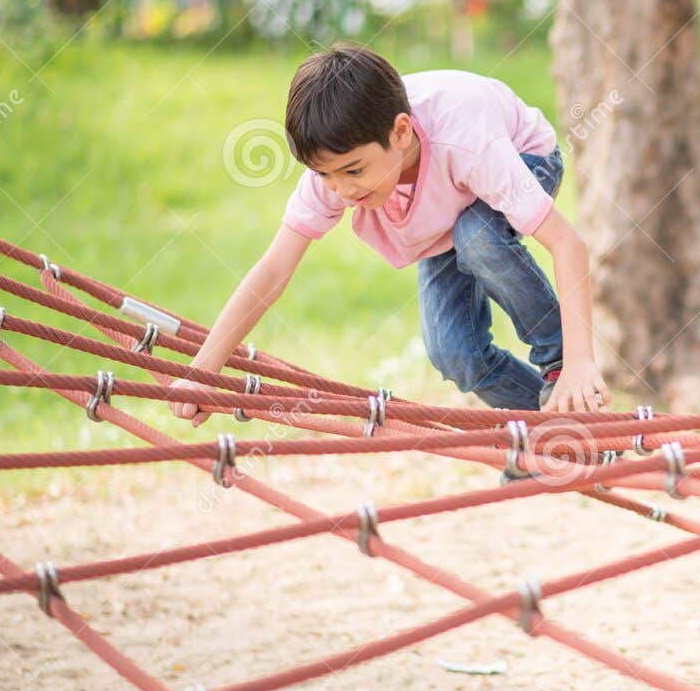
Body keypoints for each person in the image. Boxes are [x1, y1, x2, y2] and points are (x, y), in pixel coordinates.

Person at [169, 43, 607, 422]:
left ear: (400, 132)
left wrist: (580, 363)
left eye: (353, 170)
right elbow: (273, 271)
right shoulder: (338, 174)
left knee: (478, 238)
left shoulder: (468, 140)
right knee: (455, 354)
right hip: (448, 200)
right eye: (325, 176)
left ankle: (559, 361)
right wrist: (204, 370)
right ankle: (550, 430)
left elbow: (566, 242)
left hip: (523, 155)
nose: (342, 189)